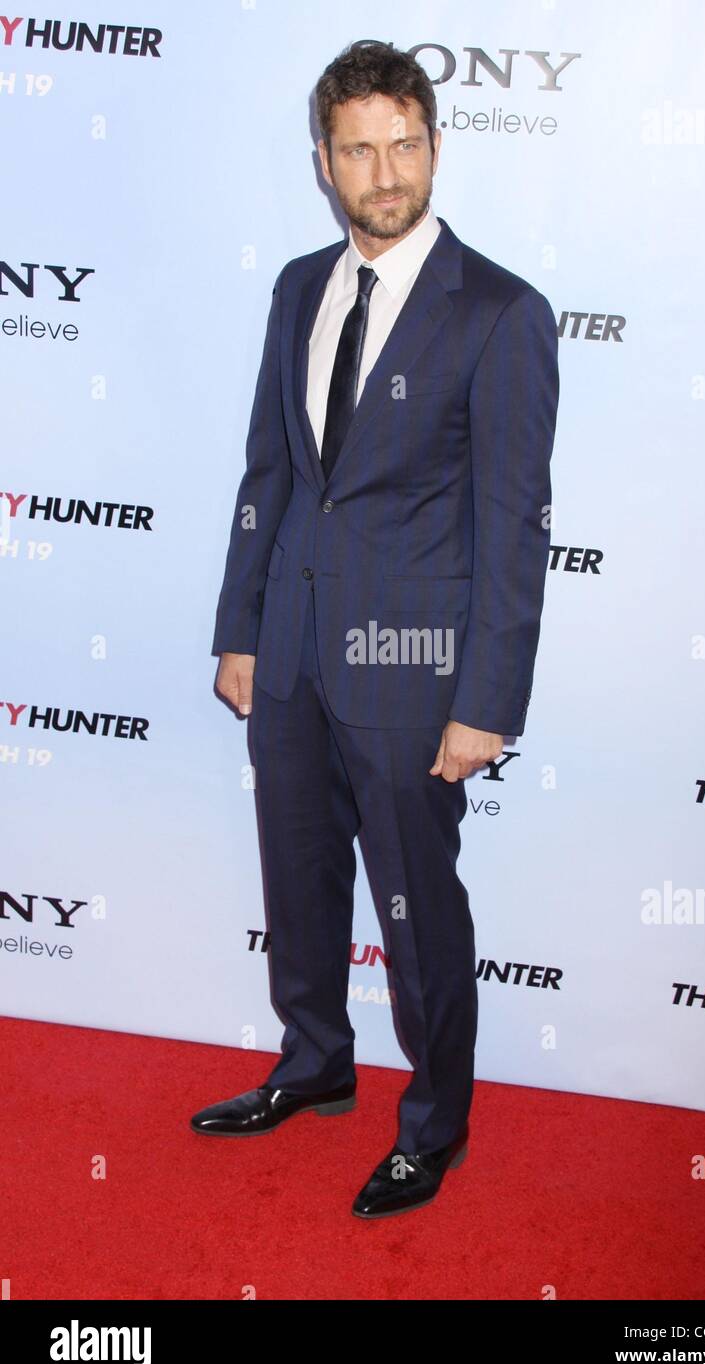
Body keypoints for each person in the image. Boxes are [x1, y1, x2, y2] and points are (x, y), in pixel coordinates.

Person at [191, 39, 559, 1219]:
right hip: (292, 652)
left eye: (403, 145)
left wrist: (484, 701)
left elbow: (513, 527)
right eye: (358, 150)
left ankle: (434, 1123)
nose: (383, 171)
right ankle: (313, 1062)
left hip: (412, 674)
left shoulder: (498, 312)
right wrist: (242, 627)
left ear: (435, 147)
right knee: (298, 881)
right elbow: (269, 474)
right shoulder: (298, 287)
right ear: (324, 161)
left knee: (415, 907)